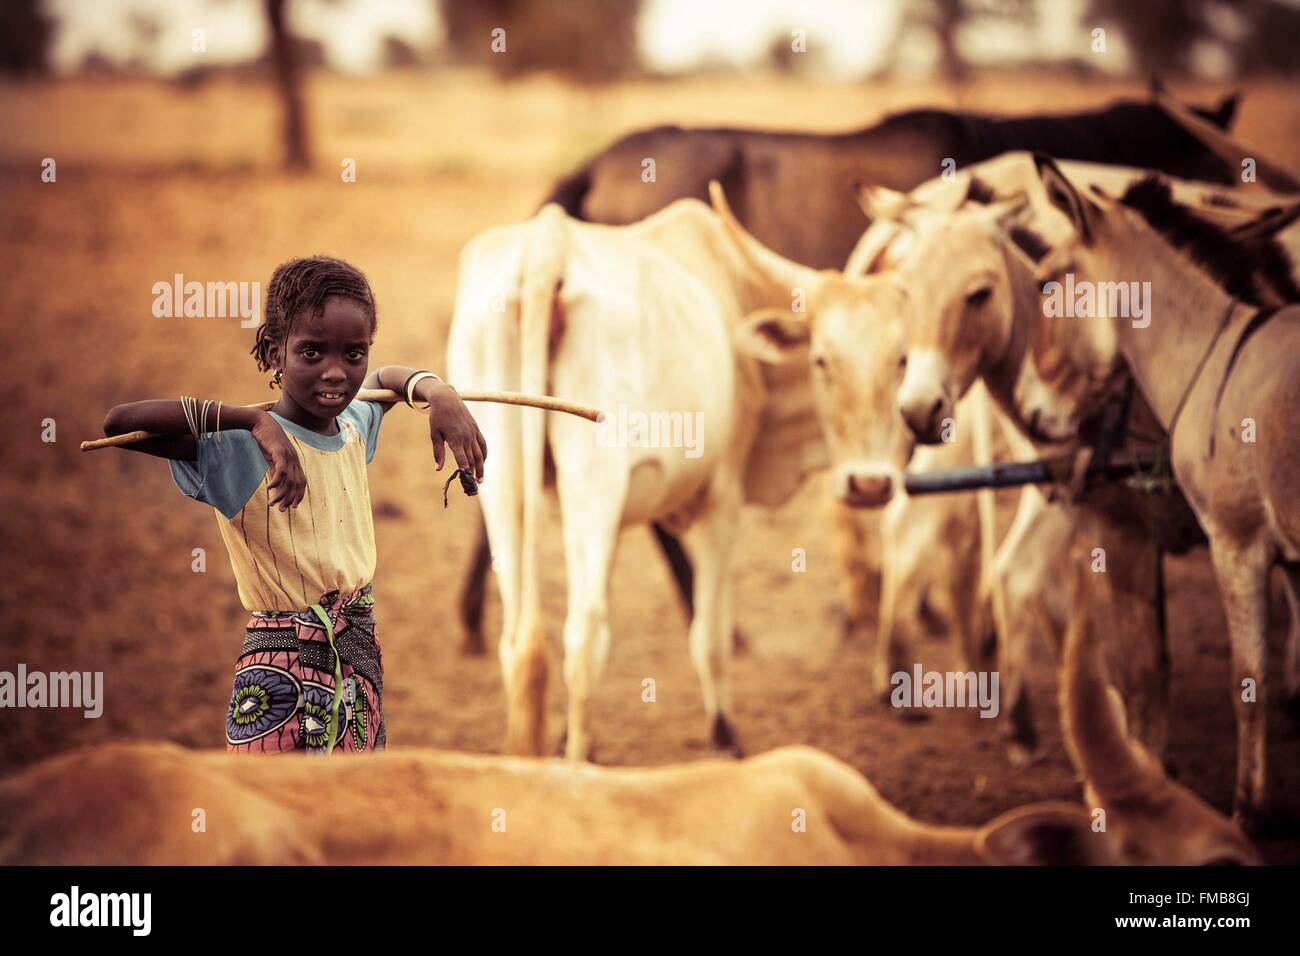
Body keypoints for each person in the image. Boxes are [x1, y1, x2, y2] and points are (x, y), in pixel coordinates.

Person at [102, 255, 487, 754]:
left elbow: (392, 379)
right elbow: (119, 422)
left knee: (351, 814)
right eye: (311, 352)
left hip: (358, 668)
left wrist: (440, 392)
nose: (335, 374)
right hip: (280, 686)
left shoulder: (353, 428)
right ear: (273, 351)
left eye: (353, 355)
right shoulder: (239, 450)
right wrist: (253, 422)